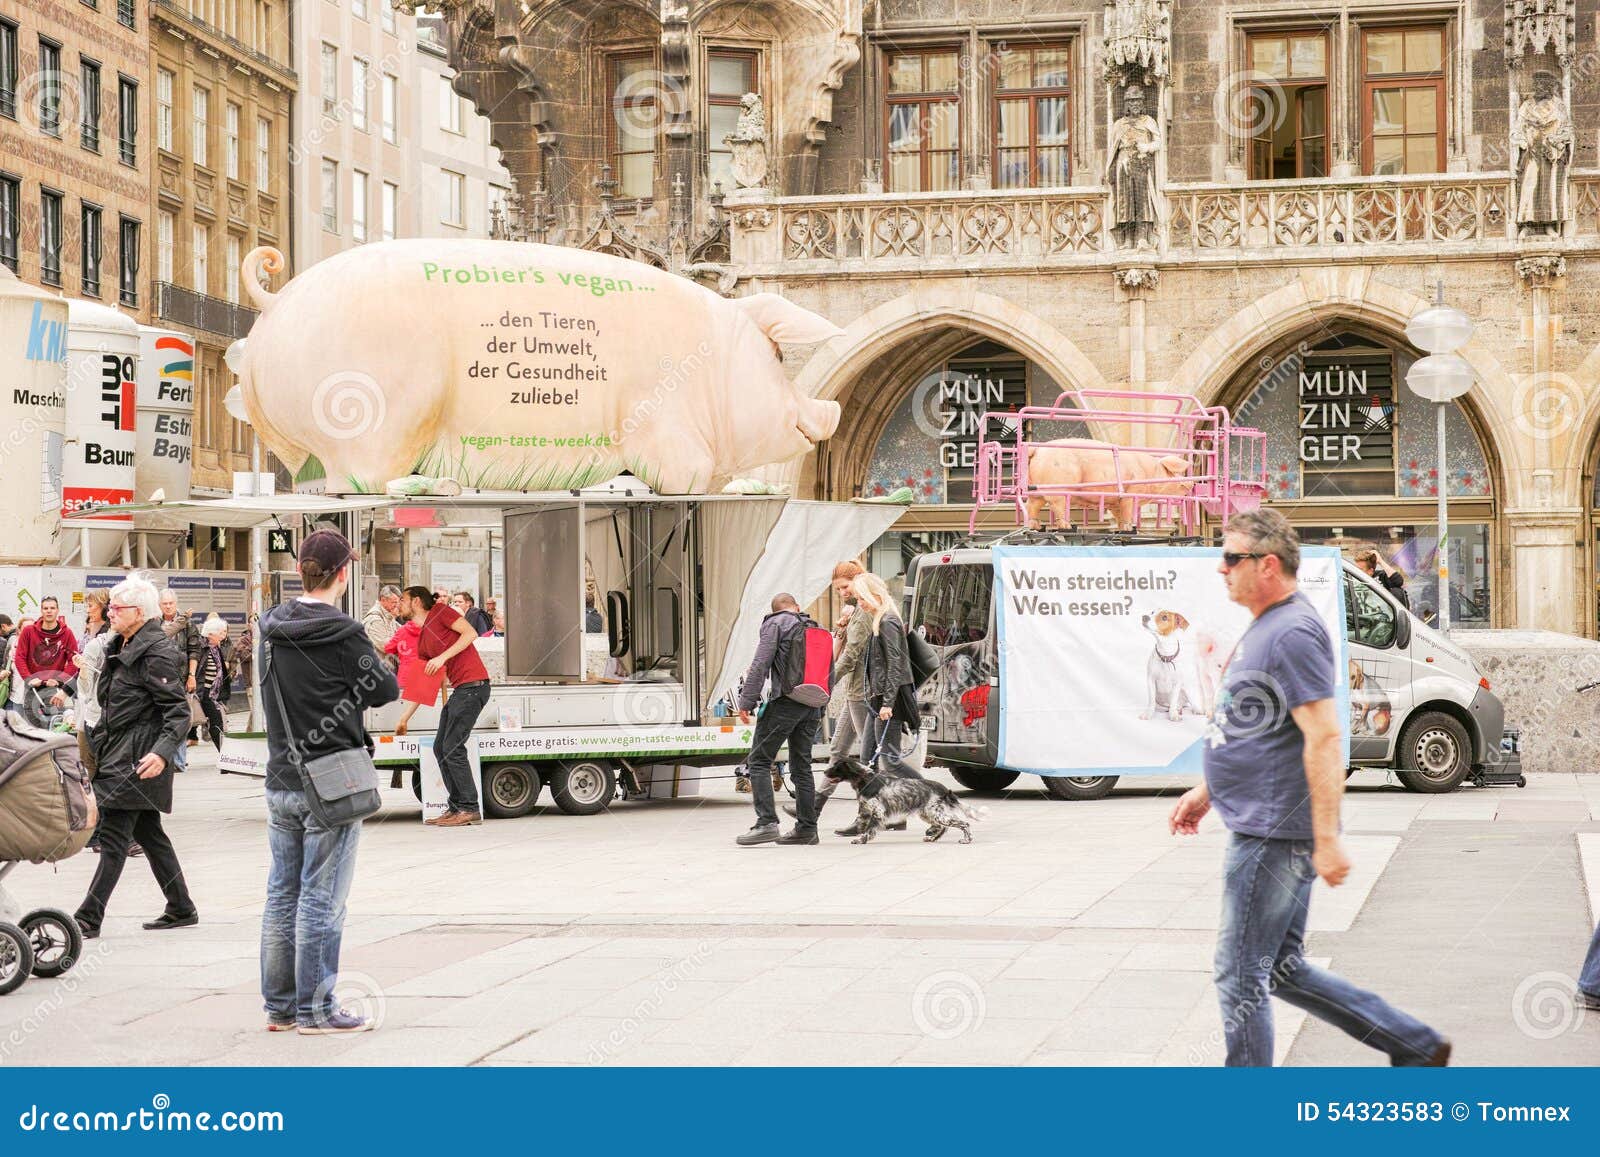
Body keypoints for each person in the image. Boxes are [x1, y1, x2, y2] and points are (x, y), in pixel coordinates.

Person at [1168, 509, 1450, 1067]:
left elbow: (1323, 737)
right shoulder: (1267, 624)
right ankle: (1412, 1044)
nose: (1221, 568)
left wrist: (1326, 839)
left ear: (1267, 565)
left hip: (1273, 831)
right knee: (1280, 967)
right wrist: (1208, 790)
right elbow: (1251, 728)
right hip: (1262, 820)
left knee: (1239, 969)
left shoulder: (1293, 631)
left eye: (1231, 557)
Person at [260, 531, 398, 1034]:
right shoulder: (344, 632)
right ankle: (315, 1009)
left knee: (281, 895)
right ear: (343, 574)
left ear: (301, 572)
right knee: (321, 899)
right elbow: (385, 689)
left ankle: (279, 1009)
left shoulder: (269, 627)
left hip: (280, 777)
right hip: (330, 781)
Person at [73, 574, 198, 940]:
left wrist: (161, 754)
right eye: (110, 606)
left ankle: (88, 918)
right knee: (150, 834)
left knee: (112, 837)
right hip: (118, 753)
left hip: (138, 761)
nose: (111, 612)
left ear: (140, 613)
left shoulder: (157, 653)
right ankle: (181, 907)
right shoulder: (119, 645)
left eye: (118, 607)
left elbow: (179, 712)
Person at [733, 593, 822, 847]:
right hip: (812, 703)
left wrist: (746, 701)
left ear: (775, 610)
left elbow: (761, 663)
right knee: (801, 766)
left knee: (759, 760)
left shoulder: (774, 624)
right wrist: (820, 704)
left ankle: (766, 824)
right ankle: (807, 829)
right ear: (796, 607)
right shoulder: (813, 626)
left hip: (786, 701)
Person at [406, 586, 490, 826]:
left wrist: (442, 658)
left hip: (474, 686)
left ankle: (469, 808)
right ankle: (456, 807)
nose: (398, 604)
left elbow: (470, 633)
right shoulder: (423, 640)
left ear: (415, 602)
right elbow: (423, 684)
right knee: (440, 748)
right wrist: (404, 717)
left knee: (452, 747)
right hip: (462, 690)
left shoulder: (441, 612)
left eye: (402, 599)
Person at [14, 596, 79, 719]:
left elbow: (74, 661)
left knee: (54, 728)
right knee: (31, 728)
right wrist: (29, 678)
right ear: (41, 611)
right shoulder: (28, 631)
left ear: (57, 610)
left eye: (52, 608)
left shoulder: (67, 634)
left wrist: (59, 680)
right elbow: (19, 657)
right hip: (33, 689)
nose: (49, 611)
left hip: (55, 690)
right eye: (46, 608)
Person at [159, 589, 202, 770]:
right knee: (162, 720)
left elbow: (194, 651)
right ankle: (166, 760)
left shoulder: (188, 624)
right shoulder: (154, 624)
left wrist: (191, 676)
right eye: (165, 604)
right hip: (160, 679)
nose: (168, 607)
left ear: (176, 604)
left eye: (171, 603)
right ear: (159, 605)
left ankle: (179, 761)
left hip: (181, 678)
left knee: (180, 719)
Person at [383, 608, 426, 736]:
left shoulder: (402, 630)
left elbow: (389, 648)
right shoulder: (428, 630)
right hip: (423, 674)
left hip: (405, 675)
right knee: (421, 718)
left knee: (402, 709)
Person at [194, 616, 234, 752]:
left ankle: (225, 756)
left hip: (213, 693)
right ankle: (225, 756)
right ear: (210, 633)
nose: (224, 636)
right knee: (216, 723)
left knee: (217, 723)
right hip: (203, 692)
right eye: (221, 633)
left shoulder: (215, 648)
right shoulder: (201, 646)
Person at [362, 585, 402, 650]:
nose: (397, 605)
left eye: (398, 602)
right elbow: (387, 647)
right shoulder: (375, 620)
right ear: (383, 600)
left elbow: (403, 632)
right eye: (394, 602)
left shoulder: (389, 616)